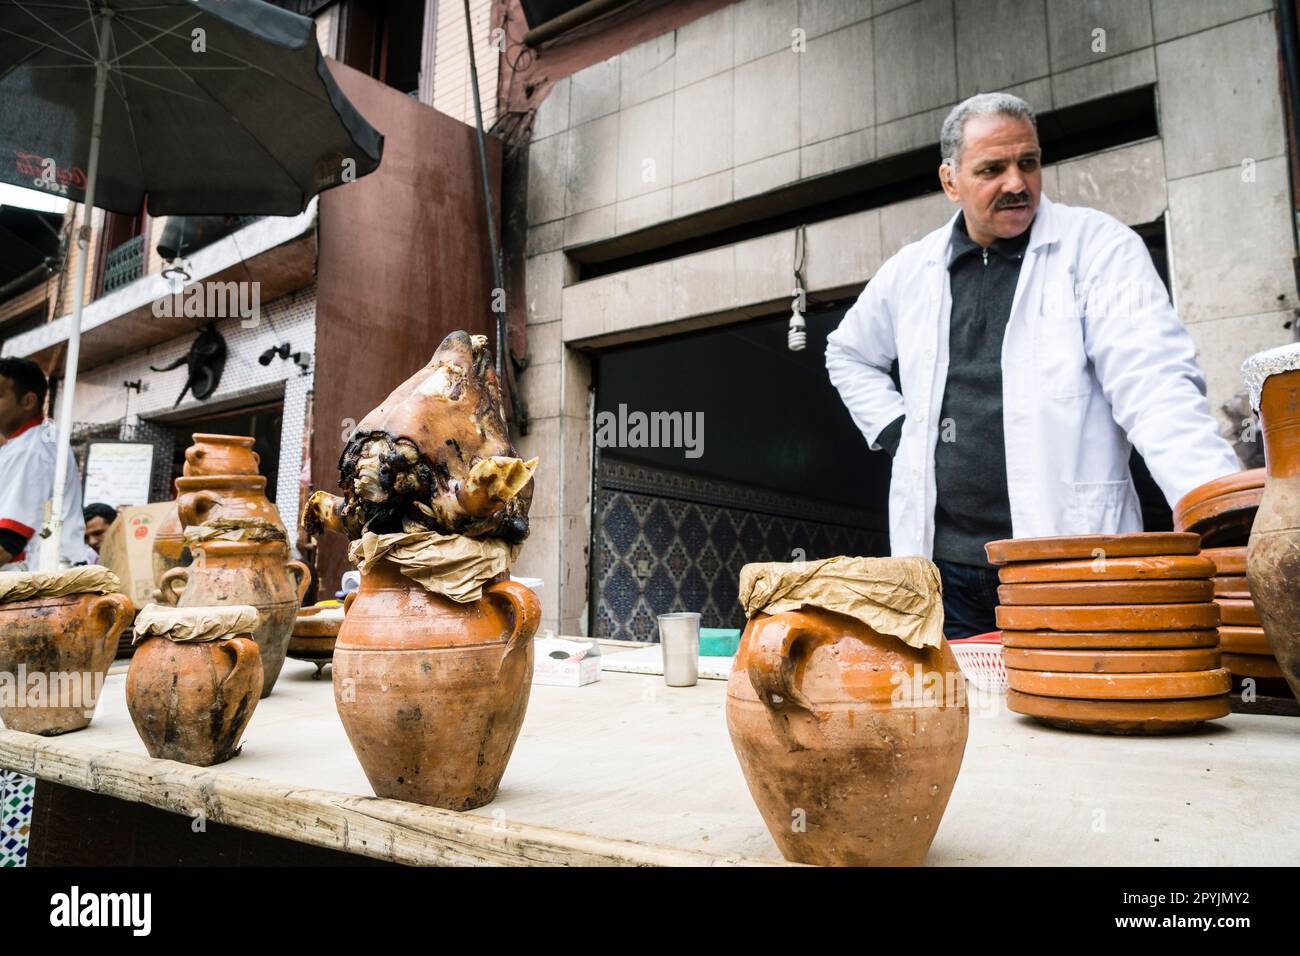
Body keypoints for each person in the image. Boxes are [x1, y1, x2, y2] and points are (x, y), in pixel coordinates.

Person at [825, 93, 1240, 639]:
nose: (1016, 183)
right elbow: (848, 352)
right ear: (951, 182)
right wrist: (902, 432)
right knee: (961, 717)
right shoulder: (911, 270)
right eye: (992, 169)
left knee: (1075, 705)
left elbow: (1156, 387)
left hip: (1067, 561)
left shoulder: (1097, 247)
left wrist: (1223, 509)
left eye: (1028, 163)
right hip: (943, 568)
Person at [0, 357, 90, 571]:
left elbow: (8, 542)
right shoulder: (27, 442)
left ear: (28, 401)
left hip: (39, 584)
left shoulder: (32, 450)